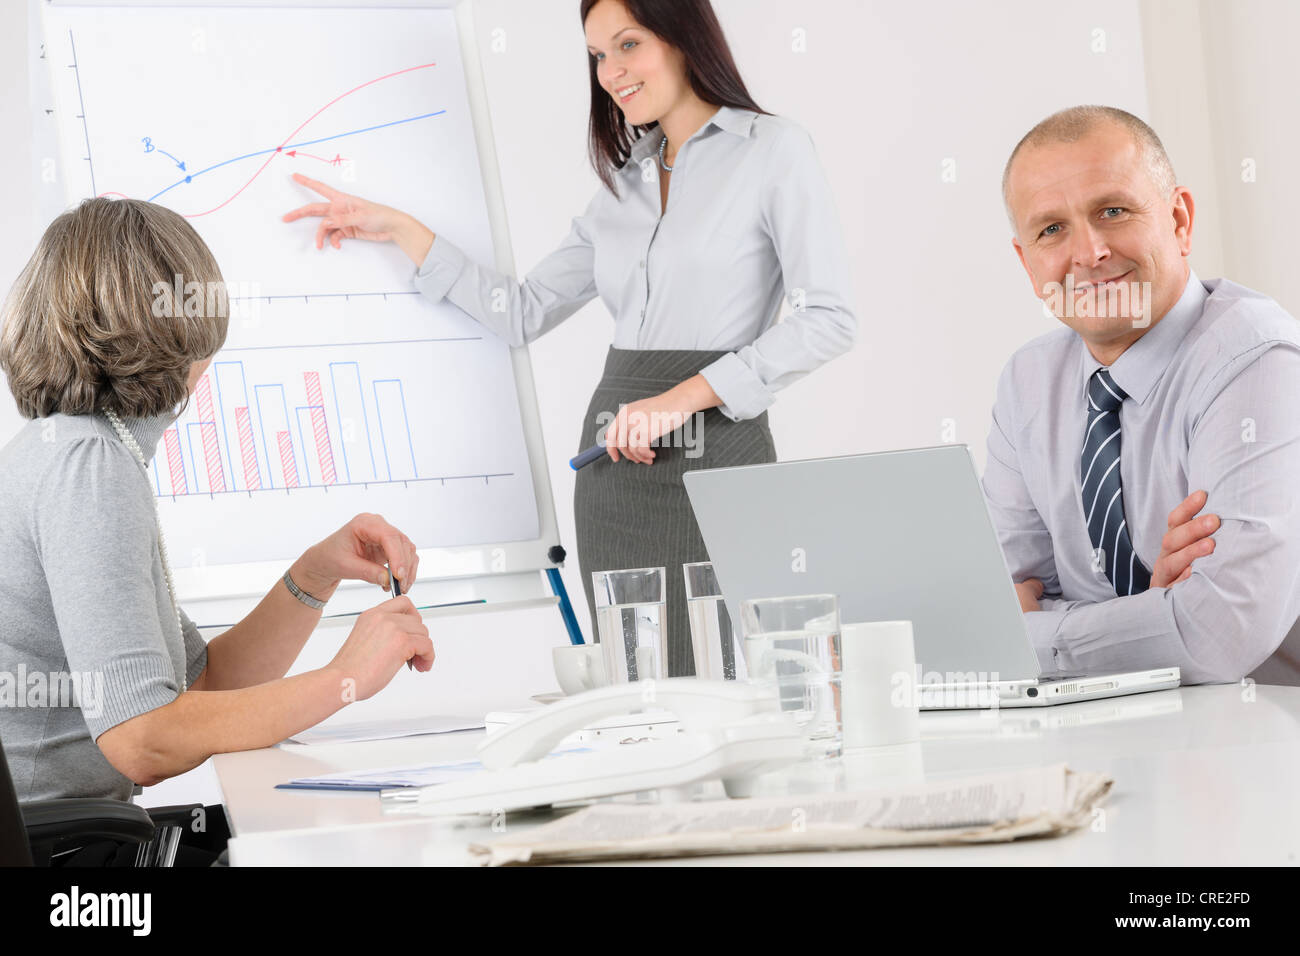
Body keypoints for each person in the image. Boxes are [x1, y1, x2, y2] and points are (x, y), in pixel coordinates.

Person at [280, 0, 857, 675]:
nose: (611, 72)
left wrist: (682, 399)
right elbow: (521, 311)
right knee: (640, 700)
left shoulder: (773, 151)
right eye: (597, 56)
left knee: (735, 683)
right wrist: (404, 230)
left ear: (682, 35)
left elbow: (829, 318)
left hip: (720, 460)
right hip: (614, 479)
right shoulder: (624, 184)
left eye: (628, 45)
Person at [0, 197, 435, 862]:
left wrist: (313, 575)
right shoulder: (88, 470)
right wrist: (344, 677)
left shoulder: (76, 450)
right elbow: (143, 739)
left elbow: (201, 689)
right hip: (63, 854)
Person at [985, 104, 1300, 685]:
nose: (1089, 253)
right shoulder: (1026, 383)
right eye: (1051, 229)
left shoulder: (1258, 358)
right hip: (1100, 741)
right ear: (1027, 262)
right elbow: (985, 612)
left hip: (1263, 742)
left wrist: (1039, 636)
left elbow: (1221, 631)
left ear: (1179, 220)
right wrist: (1151, 617)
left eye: (1112, 210)